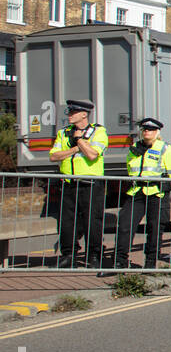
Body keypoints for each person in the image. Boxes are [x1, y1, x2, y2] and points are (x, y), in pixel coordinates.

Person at [48, 99, 110, 270]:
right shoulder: (63, 133)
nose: (69, 115)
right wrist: (75, 149)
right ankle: (69, 256)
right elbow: (53, 156)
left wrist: (79, 141)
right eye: (69, 112)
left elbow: (92, 155)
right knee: (67, 223)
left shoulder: (98, 132)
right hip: (68, 184)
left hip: (90, 184)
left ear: (84, 114)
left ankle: (94, 256)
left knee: (92, 223)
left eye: (73, 112)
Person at [113, 117, 171, 272]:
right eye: (145, 130)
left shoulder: (166, 149)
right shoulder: (134, 148)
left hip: (157, 193)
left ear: (157, 132)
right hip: (137, 192)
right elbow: (131, 169)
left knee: (155, 228)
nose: (147, 132)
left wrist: (164, 187)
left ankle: (151, 261)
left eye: (150, 130)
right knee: (125, 226)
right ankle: (120, 261)